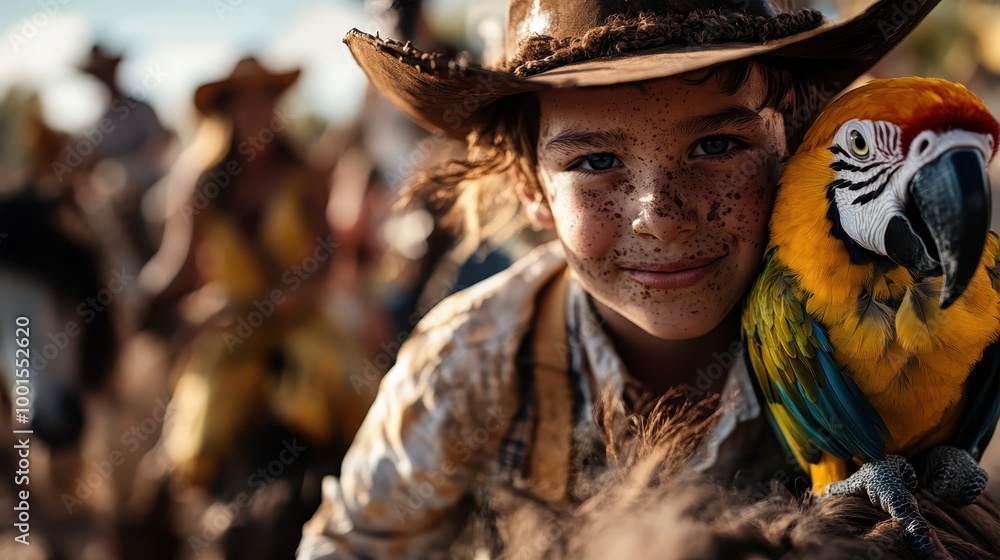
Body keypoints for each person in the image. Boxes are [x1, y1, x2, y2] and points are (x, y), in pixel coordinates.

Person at [298, 1, 944, 558]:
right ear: (532, 190)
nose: (661, 218)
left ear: (794, 146)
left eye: (717, 145)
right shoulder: (471, 363)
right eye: (596, 161)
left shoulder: (884, 333)